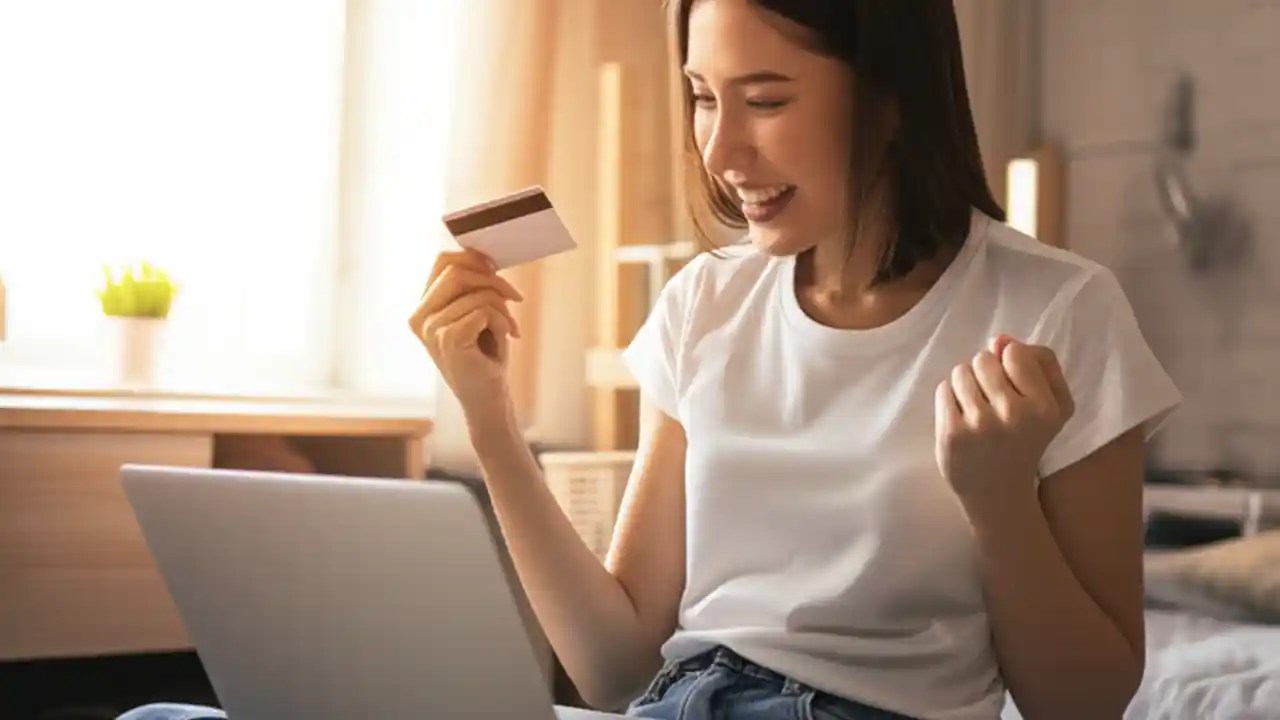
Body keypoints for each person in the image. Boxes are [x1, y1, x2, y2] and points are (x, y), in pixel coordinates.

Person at [119, 1, 1182, 719]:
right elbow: (617, 662)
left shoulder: (1056, 308)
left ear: (889, 95)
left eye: (764, 100)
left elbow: (1080, 704)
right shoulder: (704, 305)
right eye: (702, 96)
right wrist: (488, 419)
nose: (720, 153)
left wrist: (996, 502)